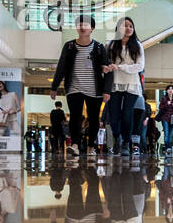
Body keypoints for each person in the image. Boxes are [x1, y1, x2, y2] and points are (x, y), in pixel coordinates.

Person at [50, 13, 111, 158]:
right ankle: (75, 145)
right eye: (80, 24)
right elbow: (61, 67)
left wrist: (107, 90)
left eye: (86, 25)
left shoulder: (98, 47)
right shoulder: (70, 46)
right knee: (75, 117)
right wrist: (54, 86)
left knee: (93, 118)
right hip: (74, 87)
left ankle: (91, 146)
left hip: (94, 89)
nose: (82, 27)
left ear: (92, 28)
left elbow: (108, 70)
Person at [104, 17, 144, 157]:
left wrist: (119, 67)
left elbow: (140, 66)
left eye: (131, 26)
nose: (128, 28)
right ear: (118, 28)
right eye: (125, 26)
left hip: (132, 83)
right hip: (114, 83)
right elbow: (104, 62)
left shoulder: (137, 45)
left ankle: (127, 143)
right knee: (114, 116)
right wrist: (106, 68)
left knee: (127, 115)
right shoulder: (110, 44)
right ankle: (117, 137)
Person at [156, 85, 173, 154]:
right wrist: (167, 104)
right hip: (165, 118)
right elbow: (160, 108)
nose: (170, 90)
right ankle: (167, 148)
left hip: (172, 119)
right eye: (169, 89)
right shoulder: (164, 99)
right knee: (166, 133)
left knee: (171, 134)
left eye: (172, 89)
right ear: (166, 91)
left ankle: (169, 147)